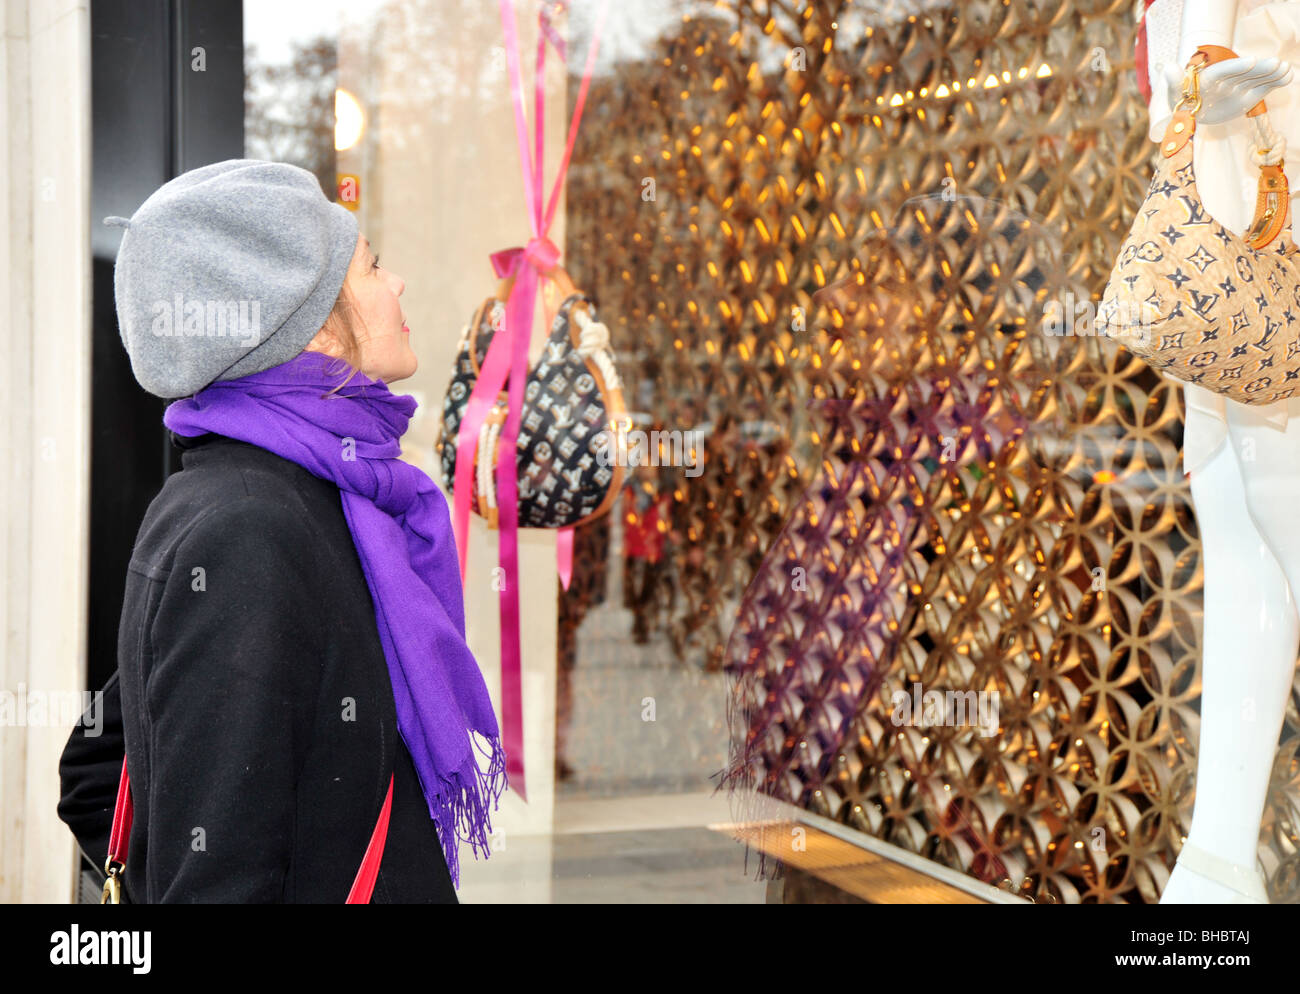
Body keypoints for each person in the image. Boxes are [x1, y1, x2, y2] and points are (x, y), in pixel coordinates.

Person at [57, 159, 507, 903]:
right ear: (315, 329)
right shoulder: (250, 532)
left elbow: (104, 759)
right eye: (372, 266)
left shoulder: (303, 494)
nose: (396, 285)